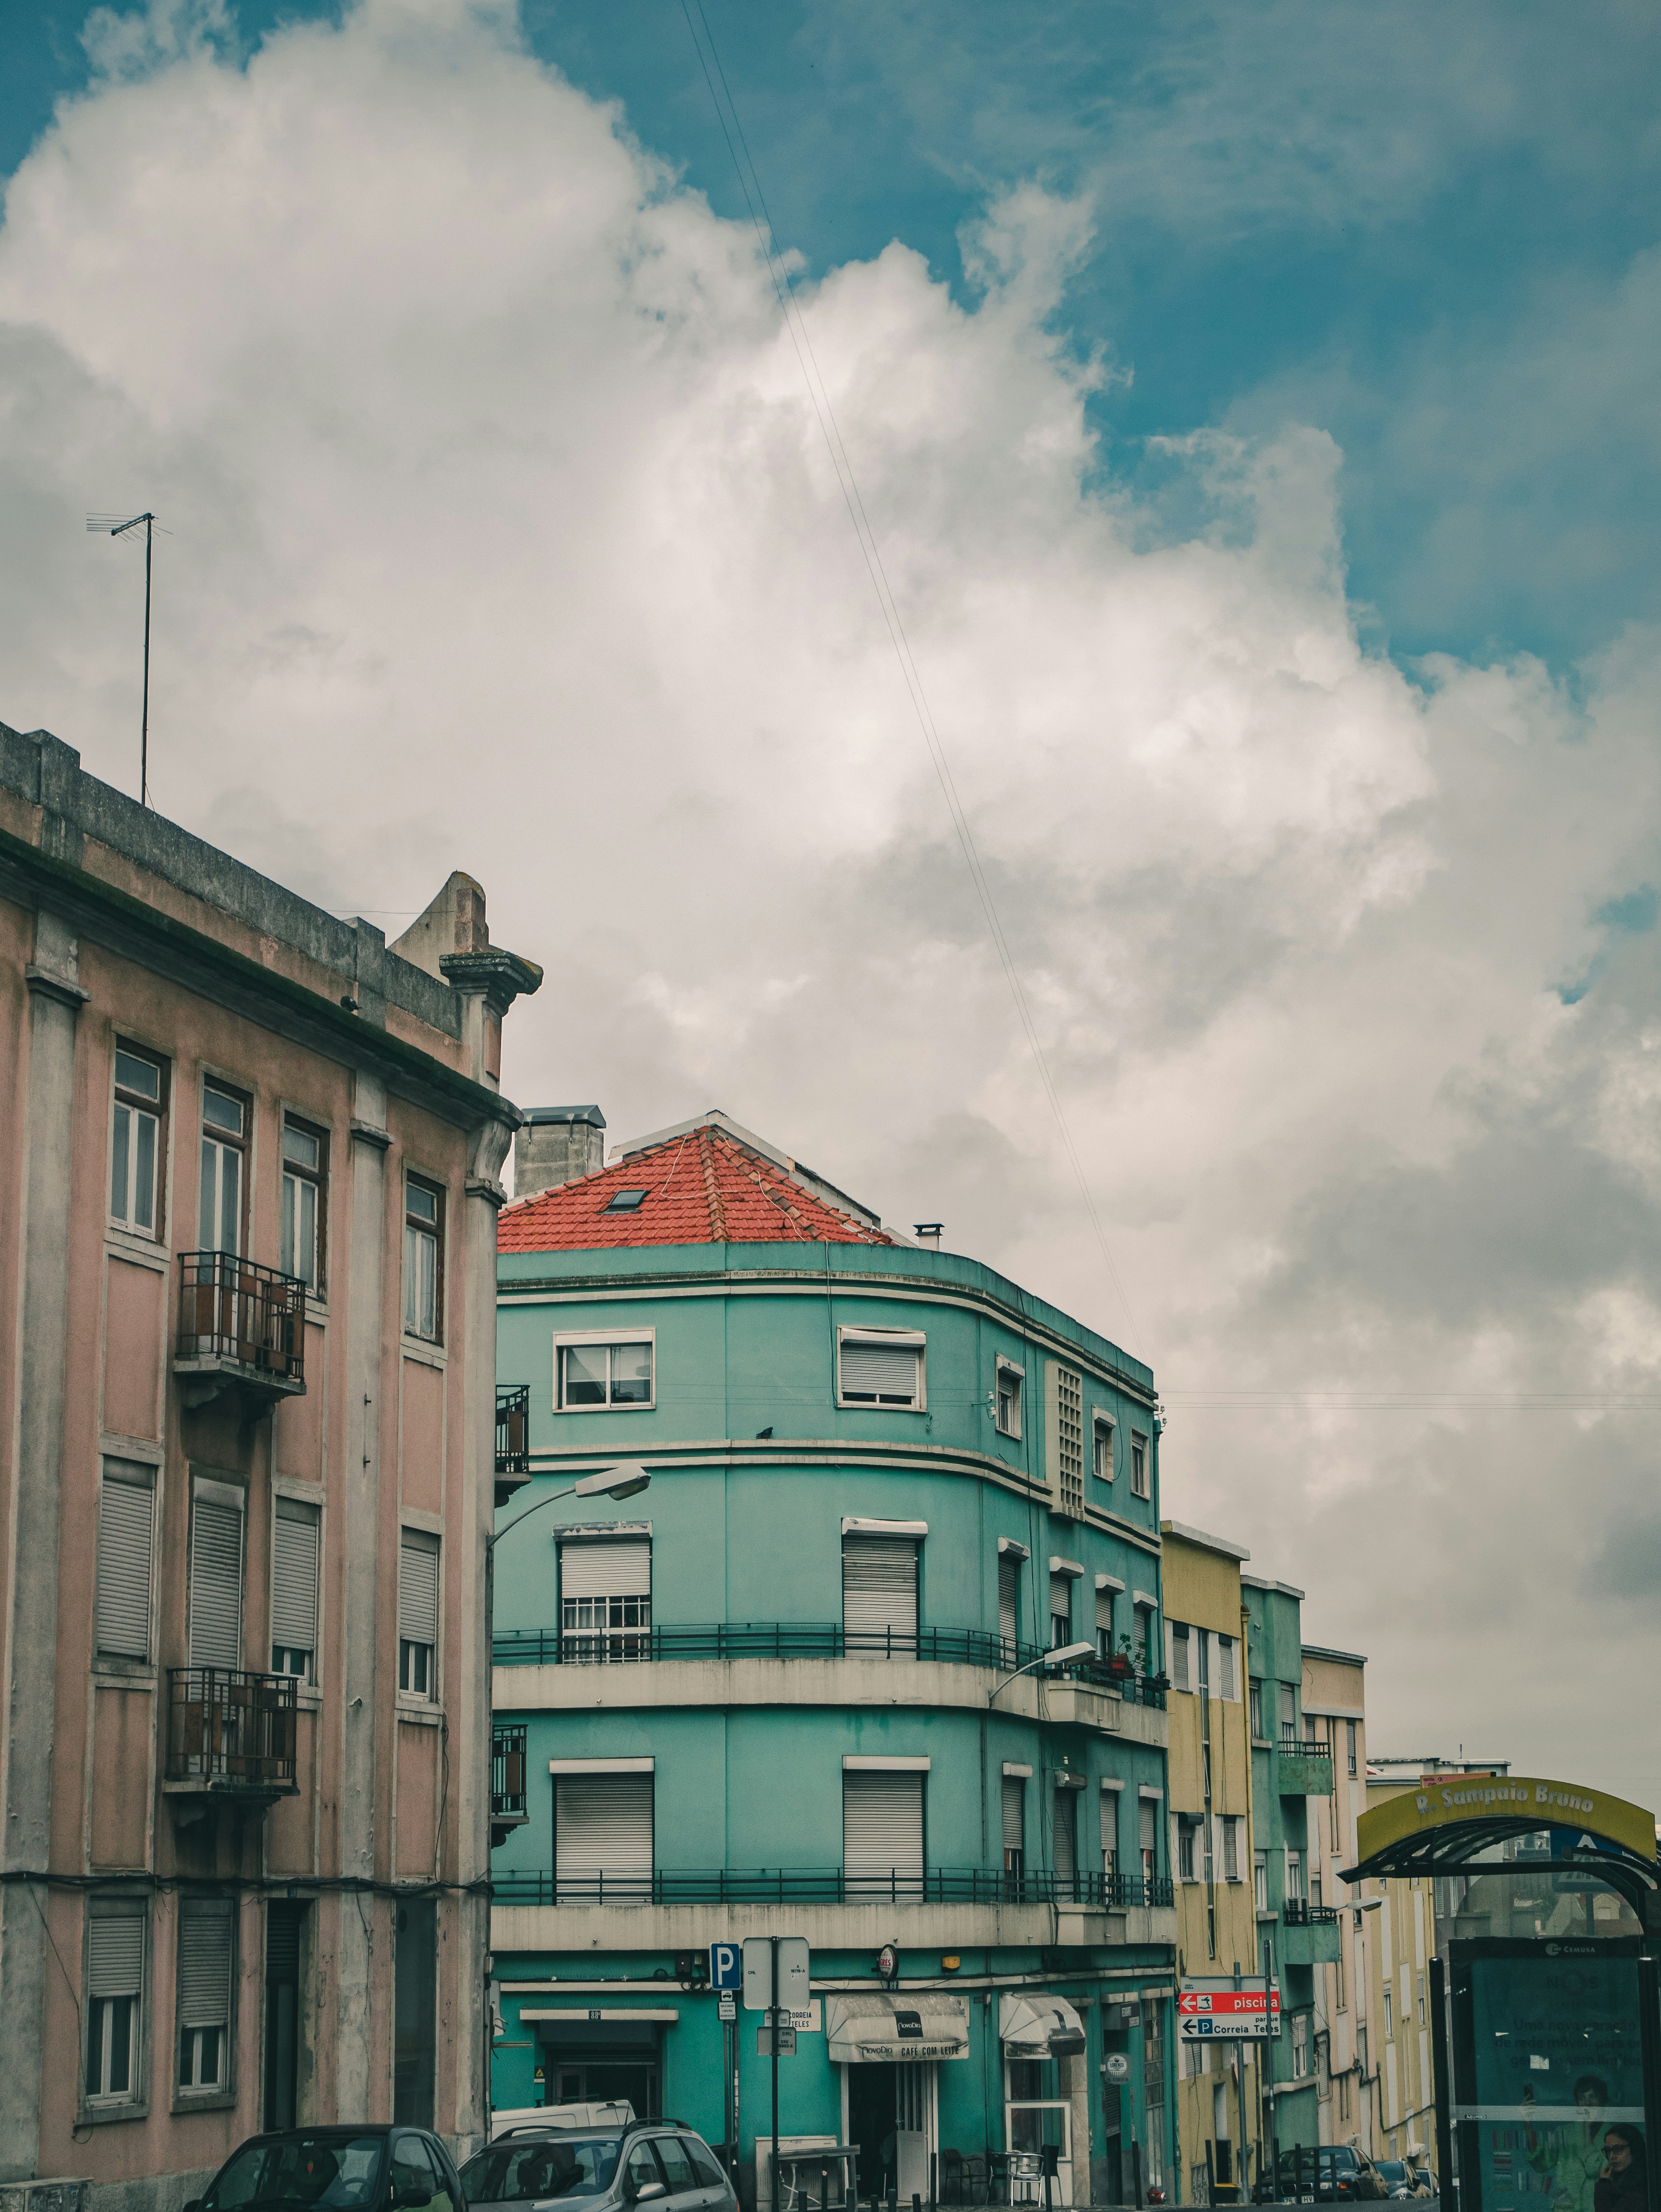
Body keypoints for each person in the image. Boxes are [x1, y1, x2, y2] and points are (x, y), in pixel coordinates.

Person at [1594, 2128, 1646, 2212]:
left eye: (1618, 2149)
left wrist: (1603, 2184)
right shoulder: (1619, 2182)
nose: (1611, 2156)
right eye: (1608, 2151)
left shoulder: (1640, 2188)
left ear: (1635, 2149)